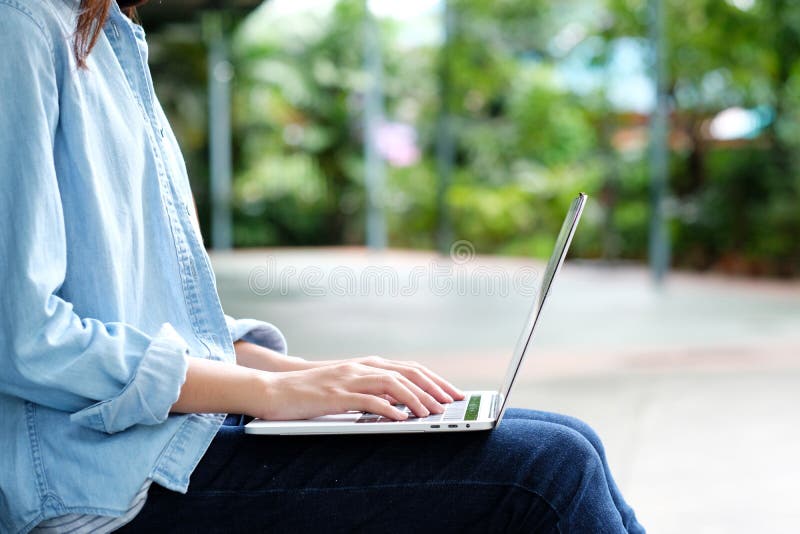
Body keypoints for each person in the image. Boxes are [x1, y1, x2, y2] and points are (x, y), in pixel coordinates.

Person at [0, 0, 646, 532]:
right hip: (94, 479)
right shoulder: (22, 26)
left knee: (569, 438)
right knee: (547, 470)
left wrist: (315, 377)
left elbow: (146, 313)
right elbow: (22, 337)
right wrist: (271, 394)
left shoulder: (107, 33)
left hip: (159, 434)